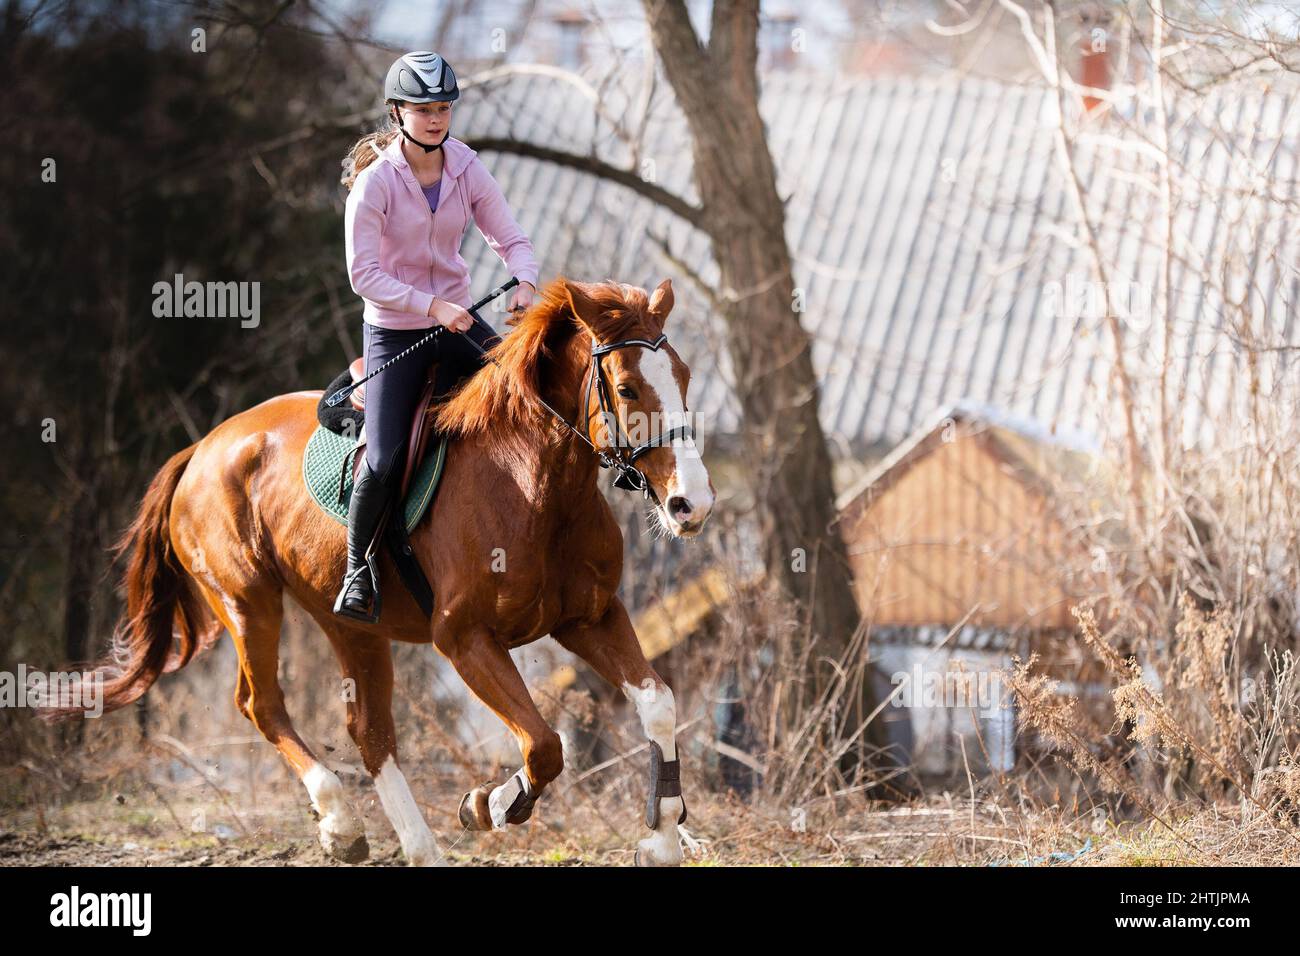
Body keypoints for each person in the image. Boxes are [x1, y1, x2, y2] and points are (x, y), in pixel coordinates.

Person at [335, 51, 540, 622]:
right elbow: (363, 276)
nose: (436, 118)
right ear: (397, 111)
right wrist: (430, 305)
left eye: (444, 107)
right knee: (383, 458)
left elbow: (511, 237)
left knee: (525, 402)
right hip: (396, 332)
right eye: (424, 108)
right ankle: (358, 570)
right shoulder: (373, 186)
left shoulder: (467, 167)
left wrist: (524, 281)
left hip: (458, 321)